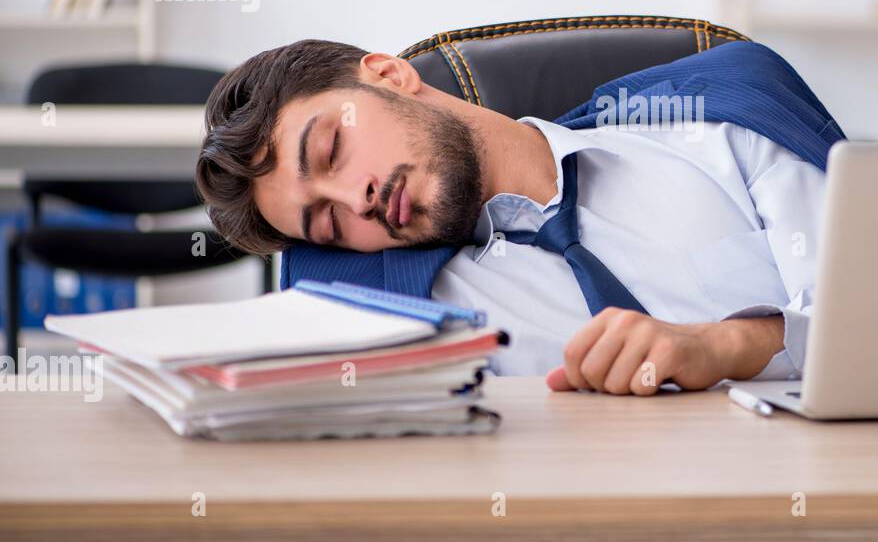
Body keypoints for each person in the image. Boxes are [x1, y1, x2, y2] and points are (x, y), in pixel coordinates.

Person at [197, 38, 837, 396]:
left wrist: (729, 345)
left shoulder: (720, 127)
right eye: (328, 224)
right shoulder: (415, 319)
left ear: (389, 76)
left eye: (331, 149)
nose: (355, 200)